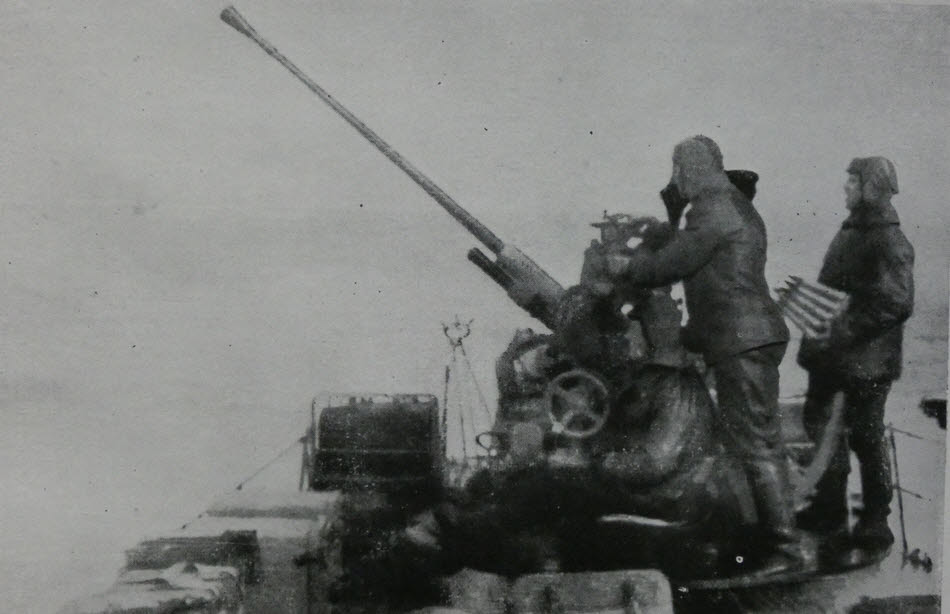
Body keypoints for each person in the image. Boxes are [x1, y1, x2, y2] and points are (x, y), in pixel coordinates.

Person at [604, 135, 799, 573]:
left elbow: (677, 261)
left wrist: (628, 267)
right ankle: (759, 538)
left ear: (688, 169)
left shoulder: (714, 207)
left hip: (742, 340)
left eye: (677, 171)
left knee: (756, 445)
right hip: (743, 337)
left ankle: (786, 550)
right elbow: (699, 258)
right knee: (751, 442)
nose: (675, 181)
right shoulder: (731, 205)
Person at [796, 156, 914, 554]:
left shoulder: (886, 238)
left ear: (871, 186)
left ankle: (875, 520)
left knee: (866, 437)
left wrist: (841, 331)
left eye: (852, 181)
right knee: (822, 428)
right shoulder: (856, 230)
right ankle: (830, 508)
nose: (845, 187)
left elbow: (896, 302)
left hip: (865, 361)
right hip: (837, 357)